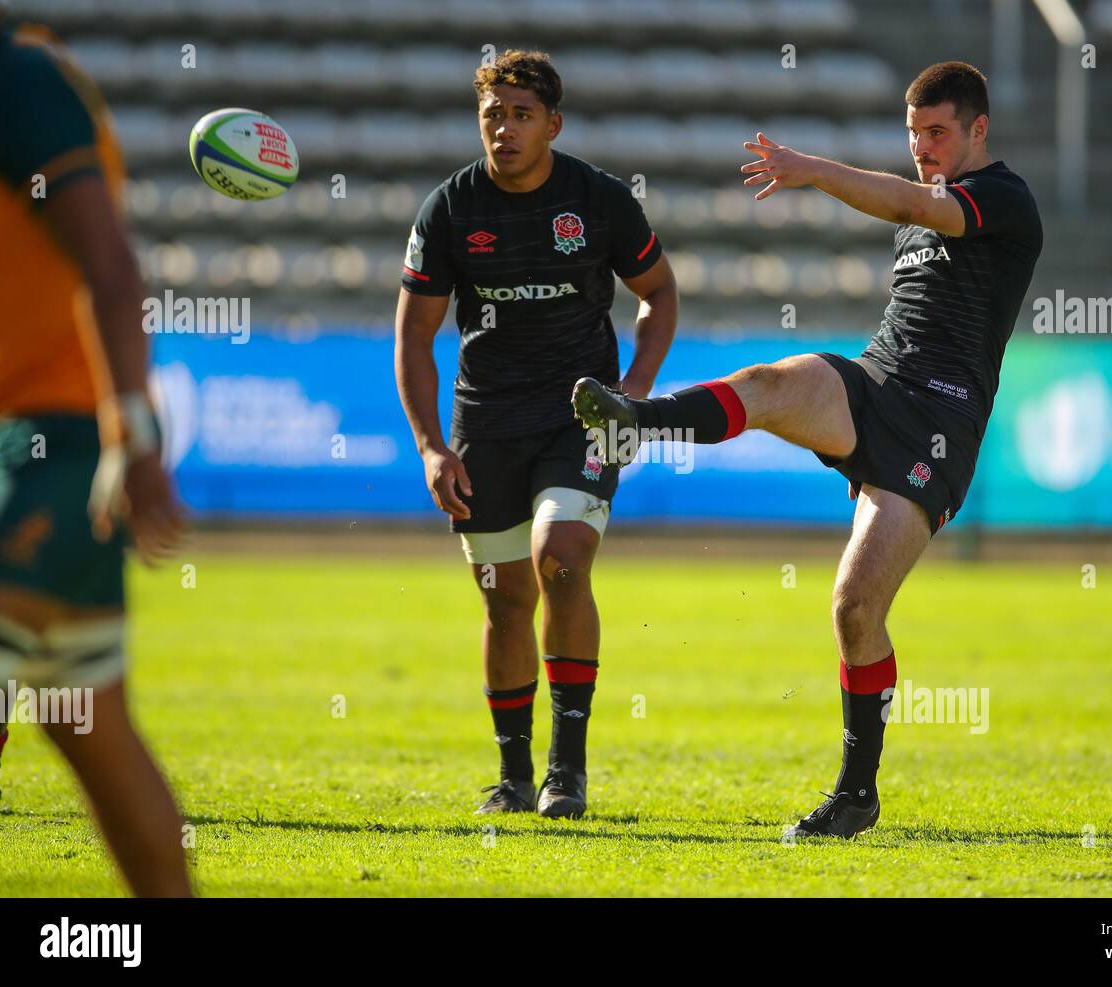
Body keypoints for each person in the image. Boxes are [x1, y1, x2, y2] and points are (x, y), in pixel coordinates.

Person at [572, 61, 1042, 838]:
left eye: (938, 133)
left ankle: (858, 792)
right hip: (876, 383)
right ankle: (636, 418)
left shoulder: (1004, 199)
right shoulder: (923, 205)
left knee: (856, 609)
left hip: (940, 423)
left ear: (978, 130)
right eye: (913, 134)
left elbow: (908, 199)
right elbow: (911, 259)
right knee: (771, 380)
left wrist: (809, 168)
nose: (923, 147)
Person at [394, 50, 677, 818]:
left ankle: (568, 772)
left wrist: (635, 391)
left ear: (553, 123)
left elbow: (657, 292)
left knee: (561, 560)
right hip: (484, 425)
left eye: (522, 115)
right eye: (494, 114)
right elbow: (415, 337)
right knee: (505, 598)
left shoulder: (600, 201)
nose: (505, 128)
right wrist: (430, 446)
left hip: (580, 416)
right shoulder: (450, 209)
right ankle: (515, 776)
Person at [0, 5, 190, 894]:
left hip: (58, 445)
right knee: (93, 728)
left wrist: (128, 432)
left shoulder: (19, 81)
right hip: (19, 439)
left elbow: (109, 265)